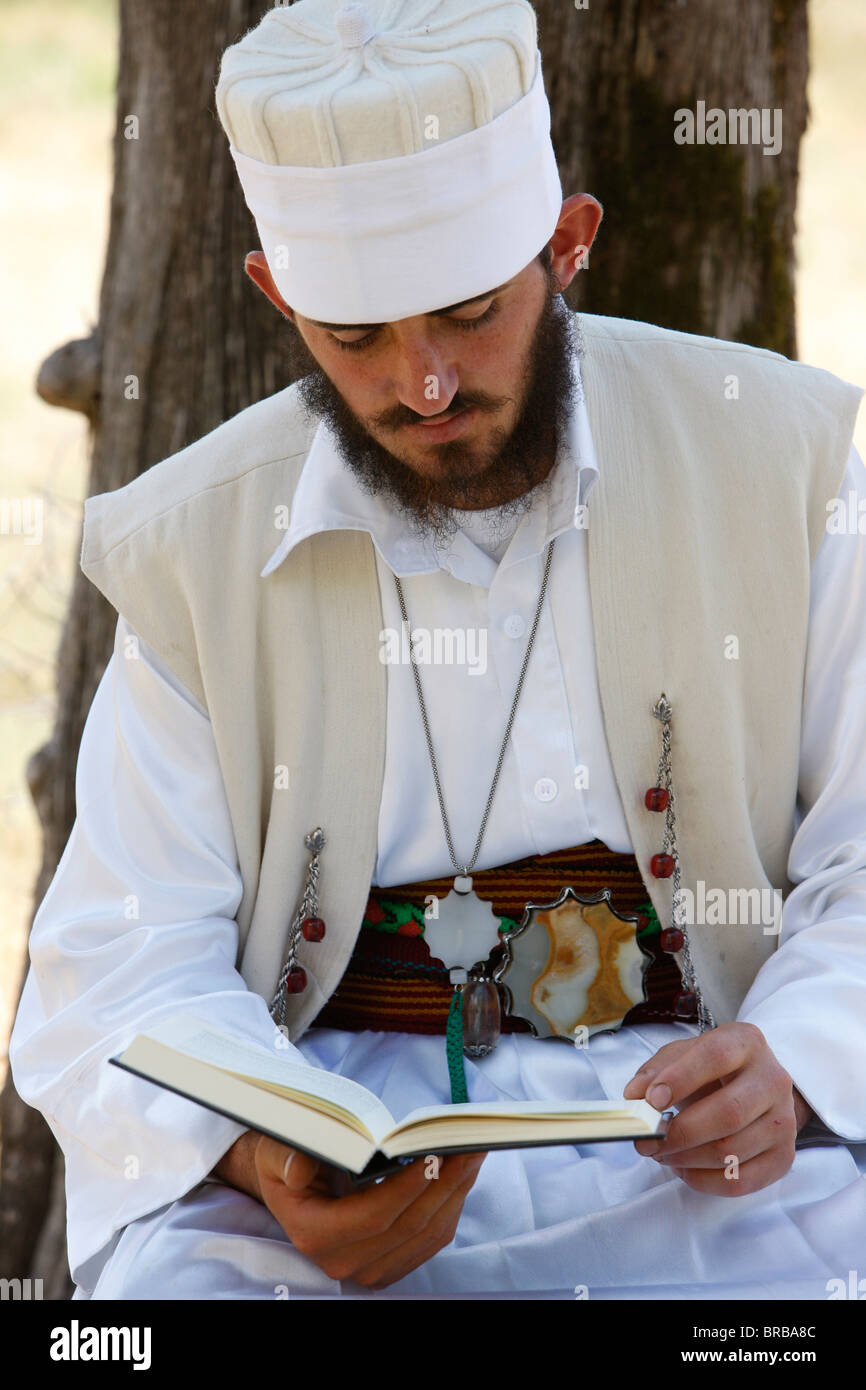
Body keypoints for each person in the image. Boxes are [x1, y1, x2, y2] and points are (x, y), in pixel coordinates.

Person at [9, 0, 866, 1300]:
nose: (422, 384)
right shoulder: (201, 546)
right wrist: (258, 1158)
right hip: (328, 1168)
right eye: (354, 337)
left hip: (696, 1161)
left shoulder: (773, 465)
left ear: (565, 245)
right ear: (280, 295)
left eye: (468, 314)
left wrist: (794, 1058)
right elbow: (122, 949)